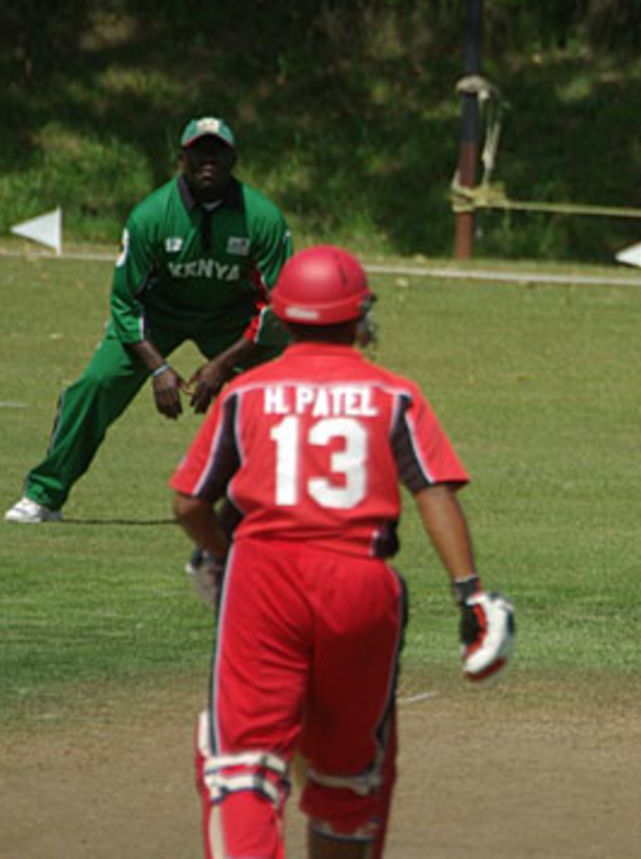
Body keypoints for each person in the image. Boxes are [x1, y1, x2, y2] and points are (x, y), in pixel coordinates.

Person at [170, 245, 515, 858]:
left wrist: (222, 556)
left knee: (241, 764)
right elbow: (432, 490)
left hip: (264, 577)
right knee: (348, 771)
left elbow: (190, 505)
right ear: (358, 316)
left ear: (282, 315)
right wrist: (471, 594)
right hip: (360, 580)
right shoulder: (393, 394)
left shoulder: (247, 393)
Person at [6, 116, 293, 523]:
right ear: (182, 159)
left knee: (288, 390)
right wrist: (158, 368)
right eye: (198, 152)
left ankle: (286, 501)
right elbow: (126, 302)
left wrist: (222, 364)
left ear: (233, 158)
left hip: (233, 321)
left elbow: (277, 305)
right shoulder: (150, 216)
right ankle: (44, 494)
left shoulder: (262, 218)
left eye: (217, 152)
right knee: (96, 384)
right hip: (158, 316)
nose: (207, 160)